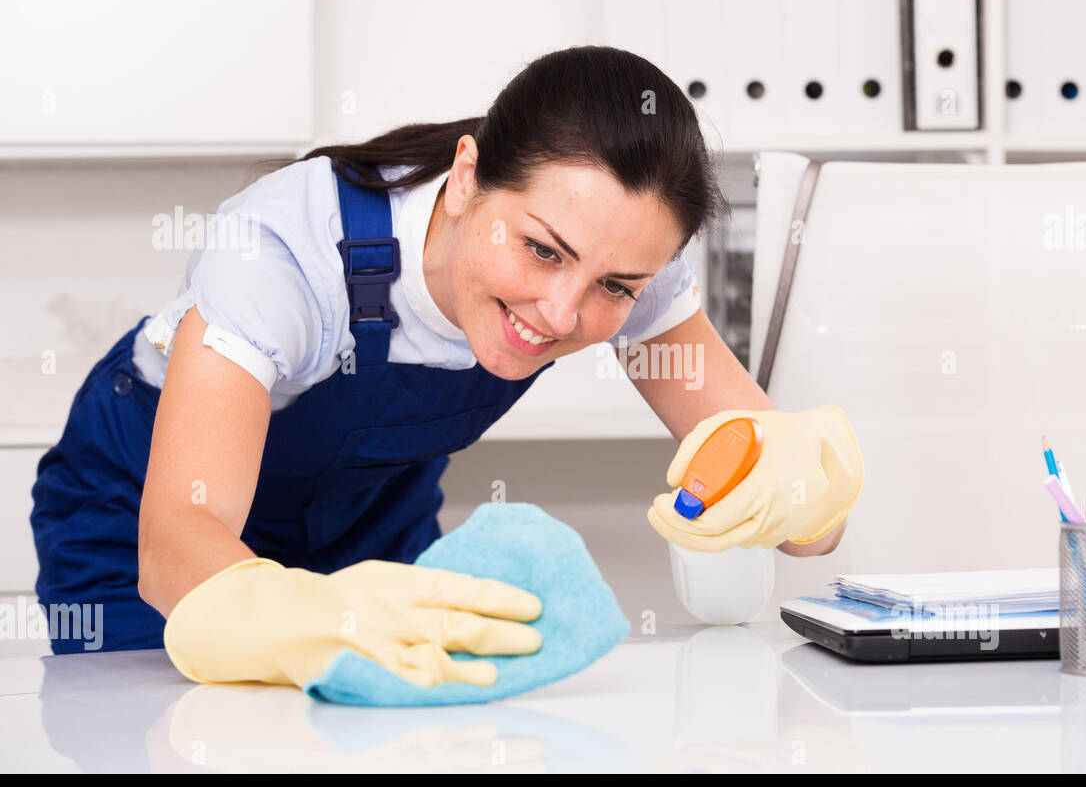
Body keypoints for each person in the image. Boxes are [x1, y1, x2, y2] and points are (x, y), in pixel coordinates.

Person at [29, 45, 863, 691]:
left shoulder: (624, 264)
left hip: (367, 541)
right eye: (540, 250)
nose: (562, 314)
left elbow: (805, 529)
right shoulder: (284, 254)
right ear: (466, 178)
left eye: (614, 286)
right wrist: (314, 613)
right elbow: (176, 545)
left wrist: (804, 482)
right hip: (137, 532)